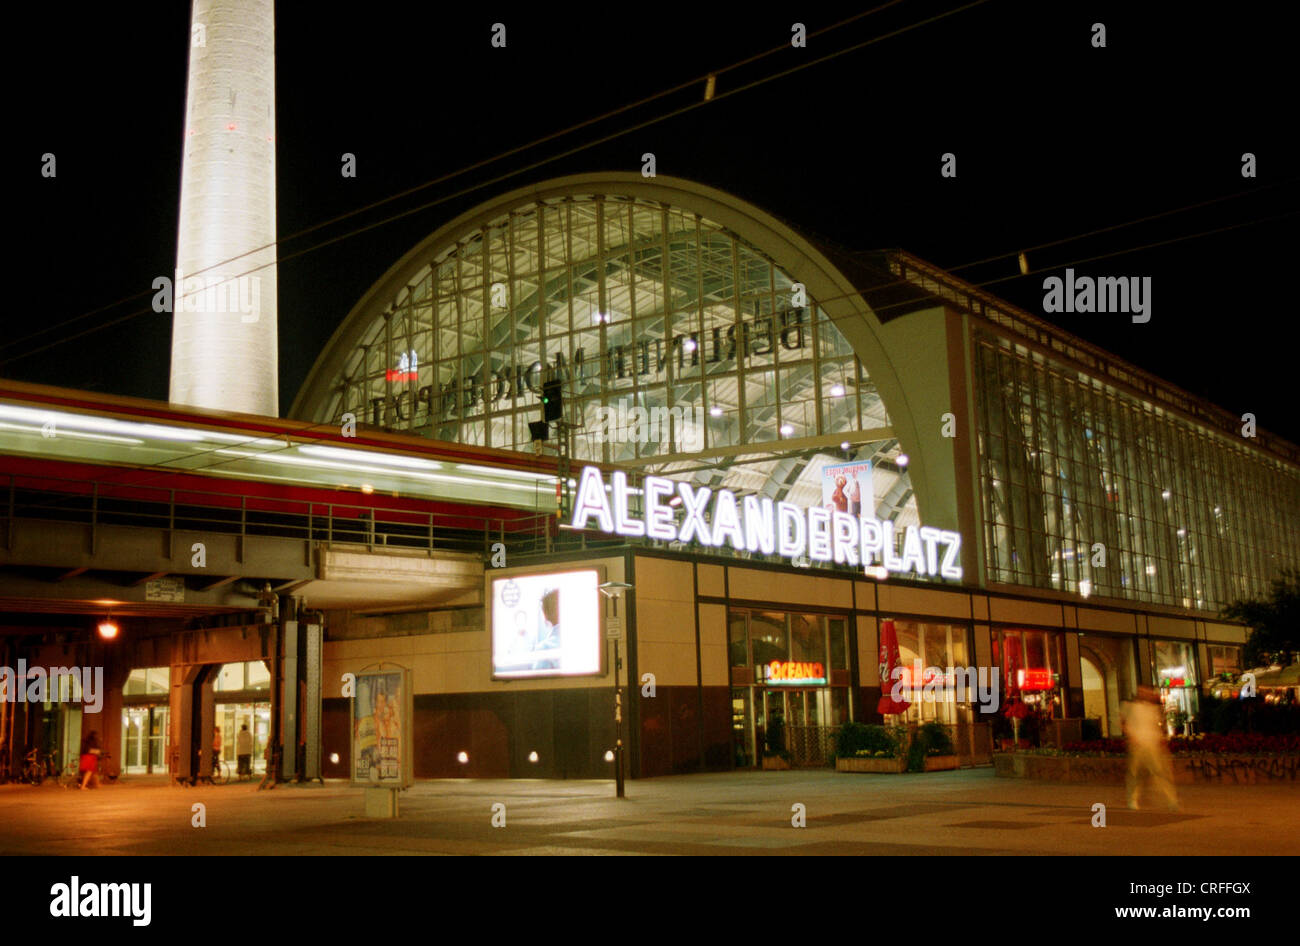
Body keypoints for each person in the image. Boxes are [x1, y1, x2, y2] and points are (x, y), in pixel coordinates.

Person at [1121, 685, 1179, 811]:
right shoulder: (1131, 707)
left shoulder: (1153, 709)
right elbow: (1124, 723)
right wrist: (1131, 737)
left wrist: (1160, 739)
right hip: (1138, 745)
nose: (1145, 695)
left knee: (1160, 772)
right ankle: (1132, 799)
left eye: (1147, 693)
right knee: (1135, 773)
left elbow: (1156, 725)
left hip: (1152, 744)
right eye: (1142, 692)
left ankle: (1171, 800)